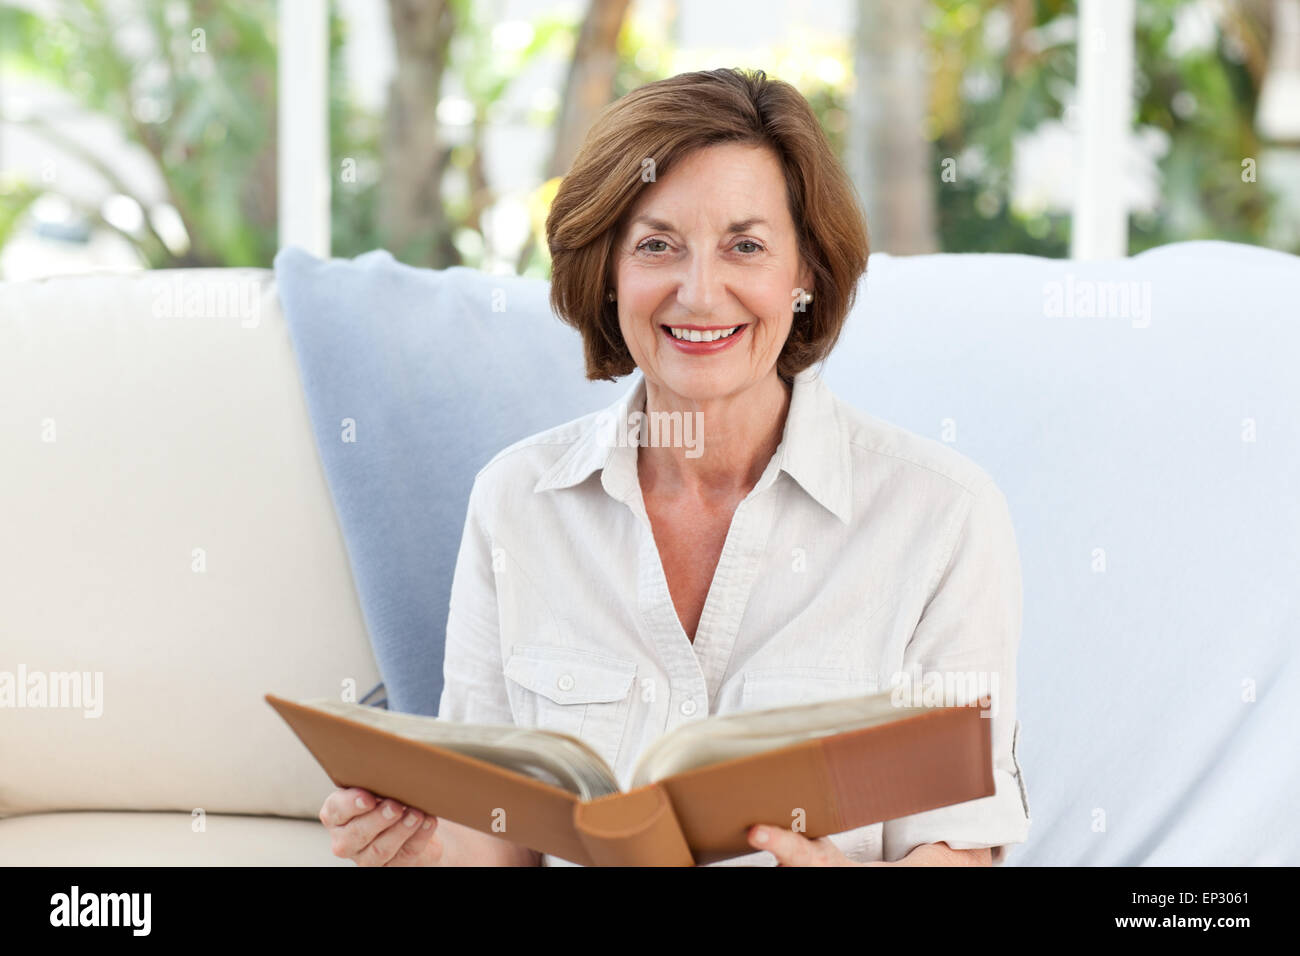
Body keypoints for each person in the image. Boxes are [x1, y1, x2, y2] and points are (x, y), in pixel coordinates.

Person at [318, 67, 1030, 867]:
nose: (699, 293)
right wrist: (414, 851)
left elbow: (960, 847)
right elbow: (491, 845)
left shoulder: (942, 516)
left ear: (804, 276)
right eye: (658, 245)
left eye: (746, 246)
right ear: (610, 272)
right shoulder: (517, 503)